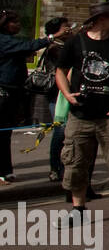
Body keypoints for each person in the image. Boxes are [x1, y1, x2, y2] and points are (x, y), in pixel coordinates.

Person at [56, 2, 109, 221]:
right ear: (102, 19)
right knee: (75, 163)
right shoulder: (75, 43)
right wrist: (66, 94)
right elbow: (60, 71)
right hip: (80, 115)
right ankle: (78, 210)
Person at [0, 11, 70, 183]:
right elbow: (29, 45)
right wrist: (52, 37)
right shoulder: (3, 40)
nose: (18, 25)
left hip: (14, 92)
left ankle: (5, 170)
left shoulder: (9, 41)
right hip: (3, 92)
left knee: (5, 133)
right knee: (2, 133)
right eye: (13, 21)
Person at [36, 16, 72, 181]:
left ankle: (65, 167)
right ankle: (55, 168)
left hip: (67, 94)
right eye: (65, 27)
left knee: (67, 132)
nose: (69, 29)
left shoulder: (66, 46)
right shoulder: (55, 48)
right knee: (60, 131)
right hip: (56, 95)